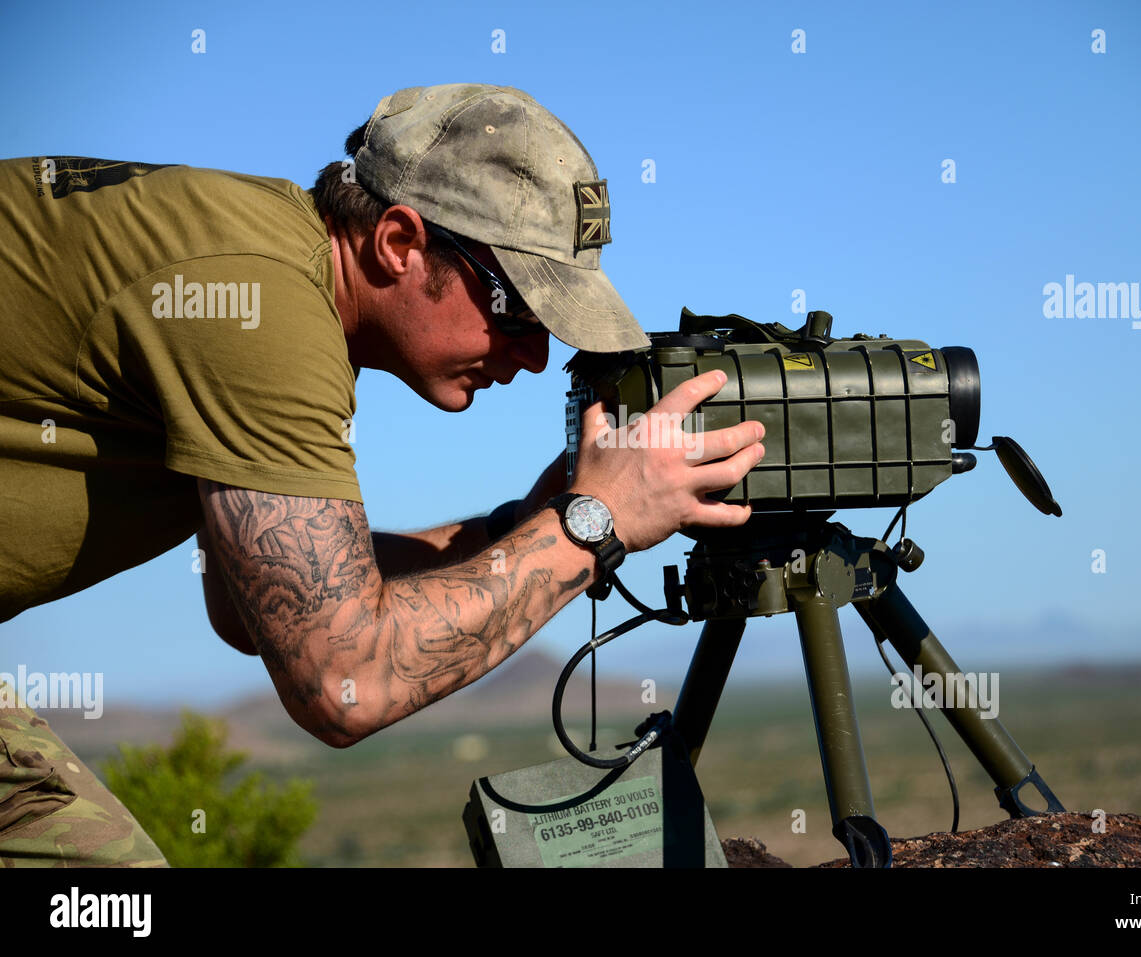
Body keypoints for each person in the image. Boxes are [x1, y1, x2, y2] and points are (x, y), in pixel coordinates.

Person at [0, 83, 765, 865]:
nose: (534, 357)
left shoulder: (268, 279)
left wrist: (527, 525)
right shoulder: (257, 311)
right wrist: (592, 525)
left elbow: (251, 604)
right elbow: (343, 680)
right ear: (399, 241)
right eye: (520, 312)